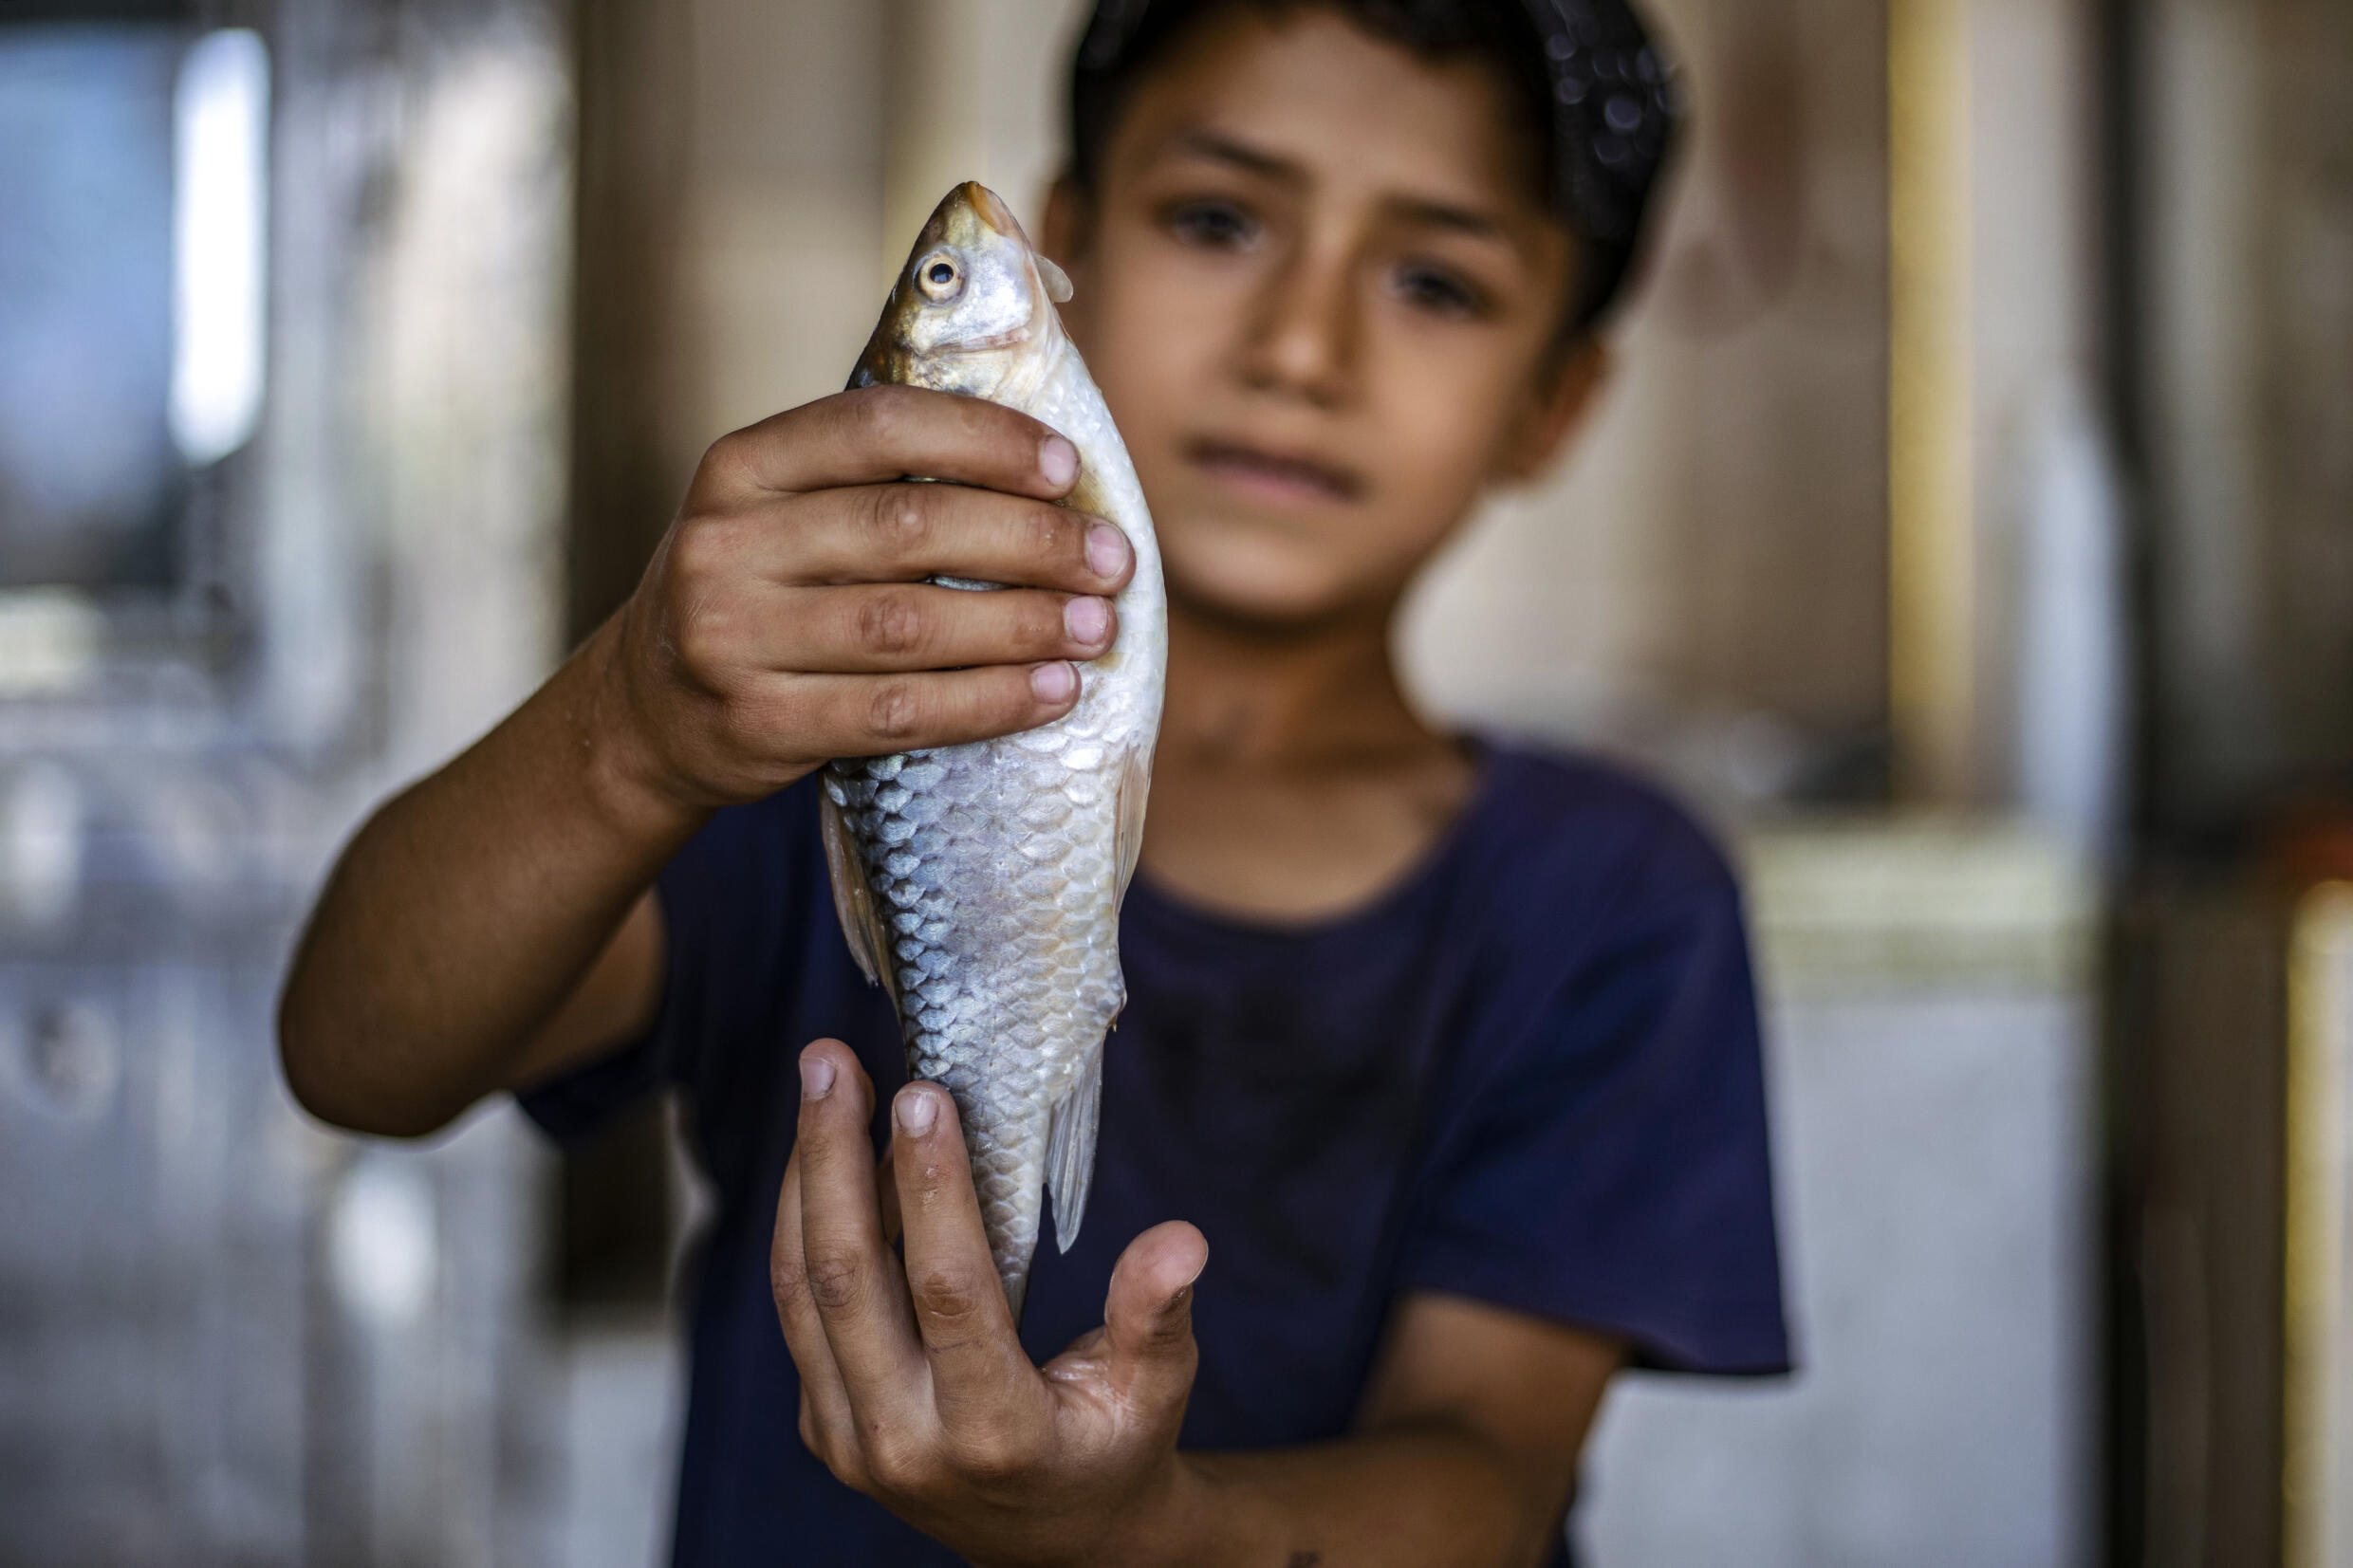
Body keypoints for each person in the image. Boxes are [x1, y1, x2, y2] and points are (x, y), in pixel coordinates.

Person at [279, 1, 1788, 1562]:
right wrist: (628, 726)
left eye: (1435, 282)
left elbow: (1487, 1483)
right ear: (1068, 242)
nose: (1300, 348)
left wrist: (1148, 1531)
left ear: (1555, 401)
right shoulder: (812, 750)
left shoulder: (1610, 898)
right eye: (1219, 220)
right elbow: (355, 1051)